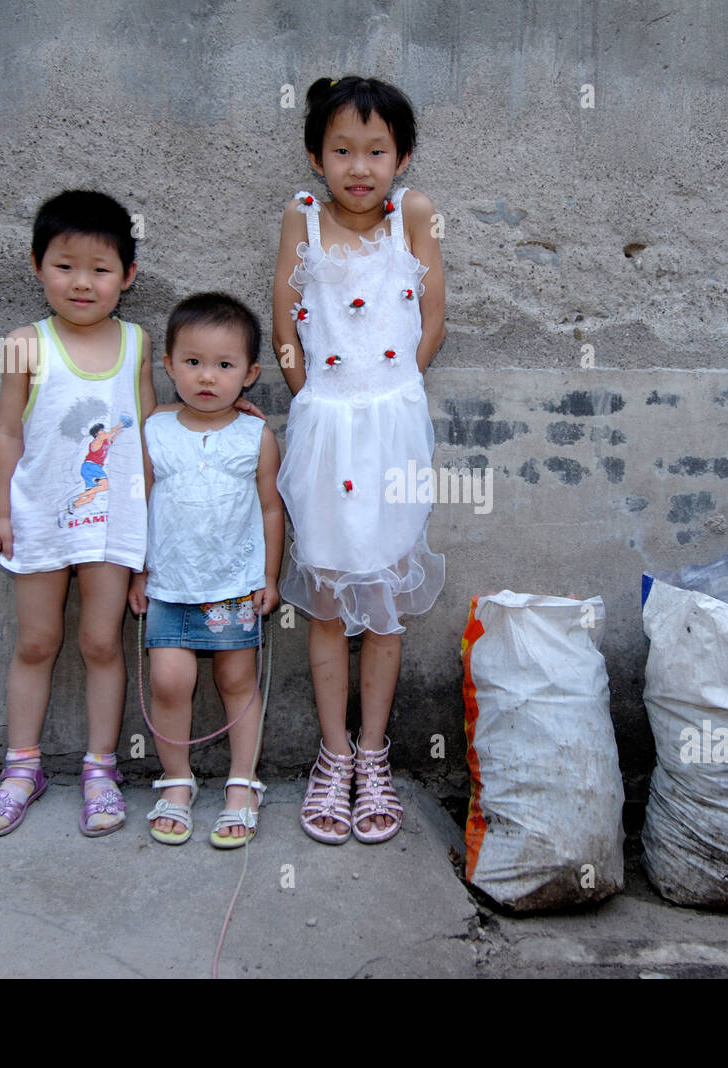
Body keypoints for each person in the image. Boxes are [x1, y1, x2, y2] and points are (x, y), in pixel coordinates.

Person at [272, 76, 446, 845]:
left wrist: (399, 385)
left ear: (401, 158)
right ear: (316, 156)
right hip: (325, 429)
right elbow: (285, 309)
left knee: (384, 600)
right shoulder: (300, 219)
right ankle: (331, 755)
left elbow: (432, 312)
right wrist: (309, 393)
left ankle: (373, 752)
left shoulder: (412, 214)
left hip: (393, 430)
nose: (359, 166)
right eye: (342, 149)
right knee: (327, 598)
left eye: (376, 151)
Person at [0, 190, 153, 837]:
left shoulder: (137, 343)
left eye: (101, 268)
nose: (83, 282)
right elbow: (6, 434)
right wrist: (2, 513)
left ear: (128, 277)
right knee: (36, 641)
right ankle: (21, 768)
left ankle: (101, 769)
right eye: (65, 265)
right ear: (36, 265)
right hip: (40, 518)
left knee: (102, 642)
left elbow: (145, 436)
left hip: (112, 523)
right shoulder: (26, 344)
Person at [128, 293, 282, 847]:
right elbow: (140, 504)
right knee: (170, 680)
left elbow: (270, 508)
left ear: (250, 374)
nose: (208, 377)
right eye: (192, 362)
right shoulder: (155, 432)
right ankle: (176, 781)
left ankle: (242, 783)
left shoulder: (255, 436)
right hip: (169, 581)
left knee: (236, 680)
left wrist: (269, 576)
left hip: (235, 585)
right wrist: (139, 572)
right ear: (168, 366)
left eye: (225, 365)